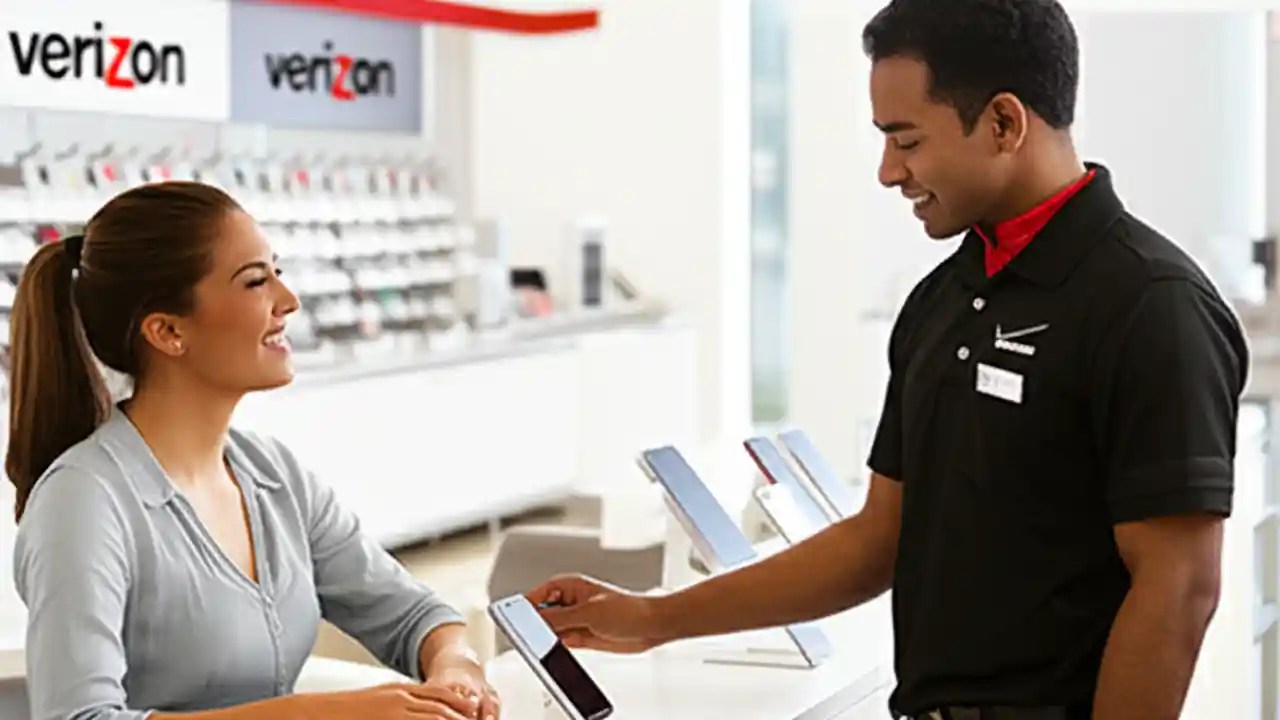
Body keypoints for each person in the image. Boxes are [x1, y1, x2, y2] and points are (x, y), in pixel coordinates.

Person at [526, 1, 1250, 719]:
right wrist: (654, 619)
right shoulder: (941, 301)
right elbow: (877, 540)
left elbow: (1179, 588)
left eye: (905, 141)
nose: (886, 172)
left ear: (1003, 123)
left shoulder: (1152, 305)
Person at [8, 182, 500, 720]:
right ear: (168, 330)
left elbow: (415, 616)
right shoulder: (83, 501)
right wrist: (325, 715)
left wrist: (456, 667)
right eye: (255, 282)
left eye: (278, 274)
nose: (288, 302)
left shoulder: (273, 475)